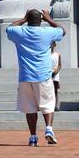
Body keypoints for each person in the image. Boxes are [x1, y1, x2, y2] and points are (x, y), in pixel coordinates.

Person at [5, 9, 66, 146]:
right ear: (40, 21)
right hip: (43, 75)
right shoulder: (47, 32)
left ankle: (33, 137)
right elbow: (63, 31)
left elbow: (9, 29)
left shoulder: (20, 33)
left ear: (28, 19)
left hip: (25, 76)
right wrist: (49, 19)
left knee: (30, 108)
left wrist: (23, 19)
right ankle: (49, 129)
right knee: (48, 104)